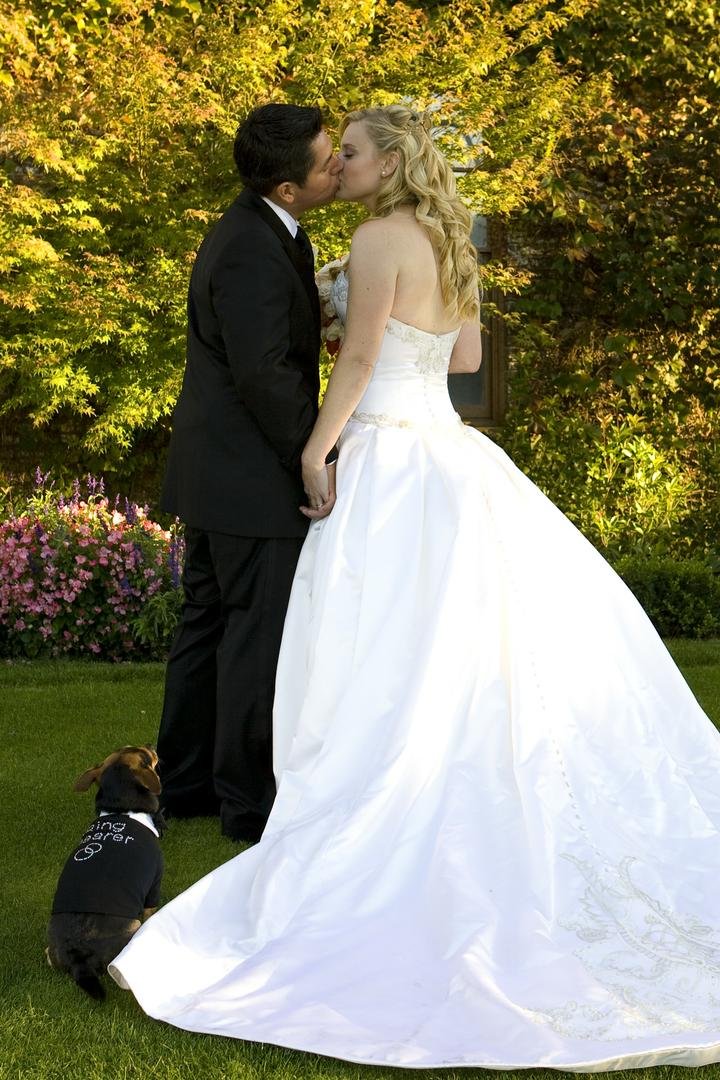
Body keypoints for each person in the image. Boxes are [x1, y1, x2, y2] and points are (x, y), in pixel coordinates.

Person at [111, 106, 720, 1070]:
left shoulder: (374, 238)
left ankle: (347, 779)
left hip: (386, 455)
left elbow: (360, 360)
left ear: (391, 160)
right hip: (446, 448)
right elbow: (464, 359)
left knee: (373, 631)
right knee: (452, 633)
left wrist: (317, 446)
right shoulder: (449, 238)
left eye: (351, 152)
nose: (339, 166)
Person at [157, 104, 341, 842]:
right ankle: (245, 803)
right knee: (250, 637)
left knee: (209, 625)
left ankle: (187, 784)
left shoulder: (267, 230)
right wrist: (313, 456)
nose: (338, 166)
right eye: (326, 161)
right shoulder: (249, 249)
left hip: (221, 471)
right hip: (248, 476)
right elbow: (264, 374)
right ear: (288, 187)